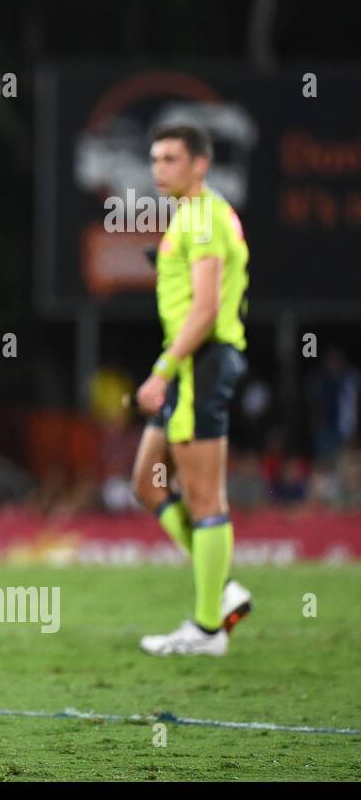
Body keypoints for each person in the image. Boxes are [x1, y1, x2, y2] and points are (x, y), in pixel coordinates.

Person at [131, 125, 253, 656]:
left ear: (199, 164)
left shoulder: (203, 215)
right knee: (147, 482)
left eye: (171, 158)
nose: (159, 168)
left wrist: (163, 368)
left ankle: (207, 629)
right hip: (191, 366)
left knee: (204, 497)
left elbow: (205, 308)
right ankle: (221, 588)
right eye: (154, 158)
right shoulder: (193, 214)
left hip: (200, 363)